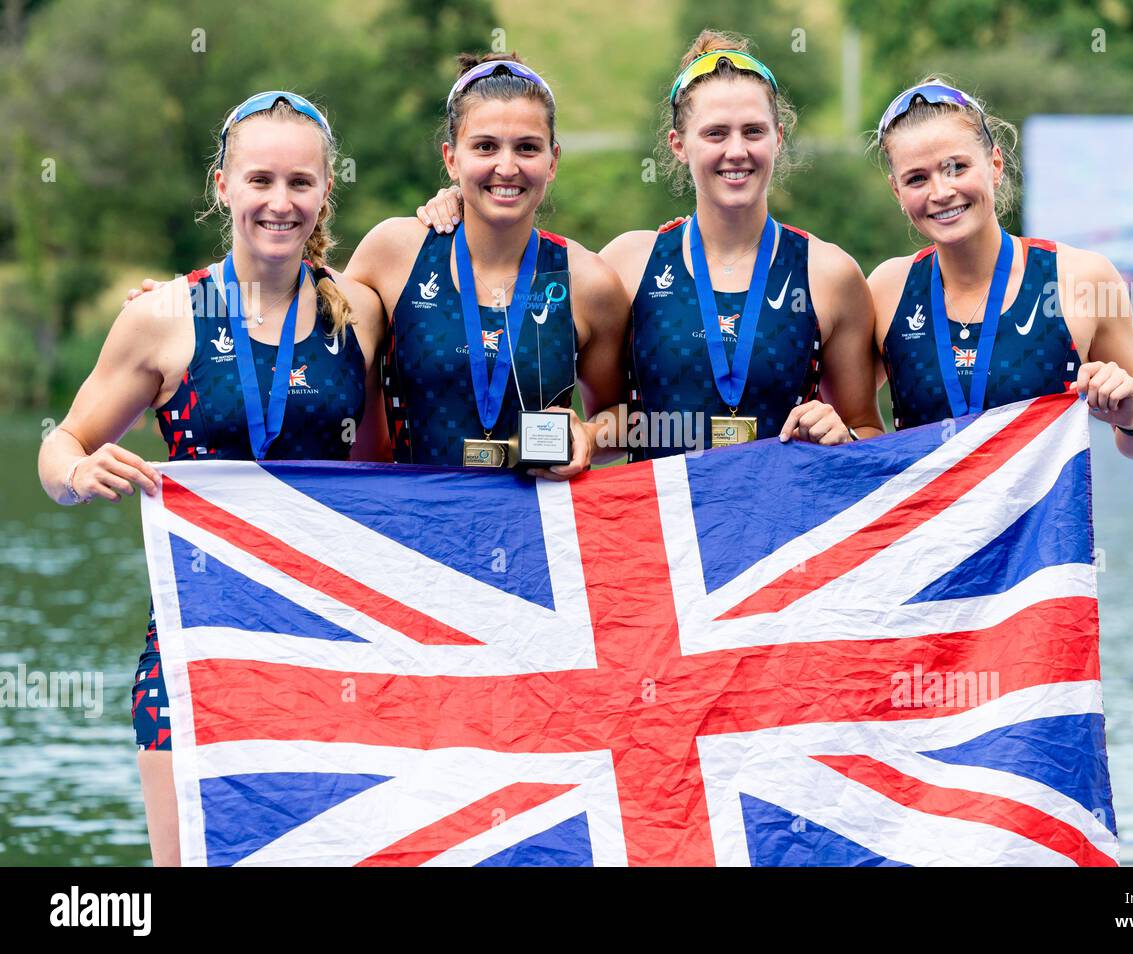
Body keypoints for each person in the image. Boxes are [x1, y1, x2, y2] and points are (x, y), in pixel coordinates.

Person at [37, 91, 388, 865]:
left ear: (327, 191)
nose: (280, 202)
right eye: (260, 180)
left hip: (333, 656)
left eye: (301, 183)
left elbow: (389, 474)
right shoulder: (164, 316)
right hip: (194, 651)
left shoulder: (357, 314)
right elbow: (58, 446)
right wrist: (78, 471)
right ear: (222, 185)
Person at [419, 32, 884, 458]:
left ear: (778, 139)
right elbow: (614, 421)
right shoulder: (627, 263)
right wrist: (462, 198)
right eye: (716, 133)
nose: (736, 151)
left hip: (781, 539)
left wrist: (843, 438)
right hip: (657, 539)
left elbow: (869, 431)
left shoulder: (828, 274)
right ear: (679, 144)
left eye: (754, 132)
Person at [345, 53, 629, 476]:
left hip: (538, 533)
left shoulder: (587, 280)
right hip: (411, 530)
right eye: (485, 146)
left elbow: (625, 416)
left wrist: (588, 435)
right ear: (451, 158)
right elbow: (332, 371)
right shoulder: (392, 253)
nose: (507, 167)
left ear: (552, 162)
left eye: (527, 148)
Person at [866, 79, 1133, 457]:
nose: (941, 192)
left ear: (995, 165)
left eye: (957, 168)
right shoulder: (886, 288)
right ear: (897, 191)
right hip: (924, 517)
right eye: (917, 178)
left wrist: (1131, 415)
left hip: (1043, 519)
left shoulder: (1082, 278)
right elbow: (857, 430)